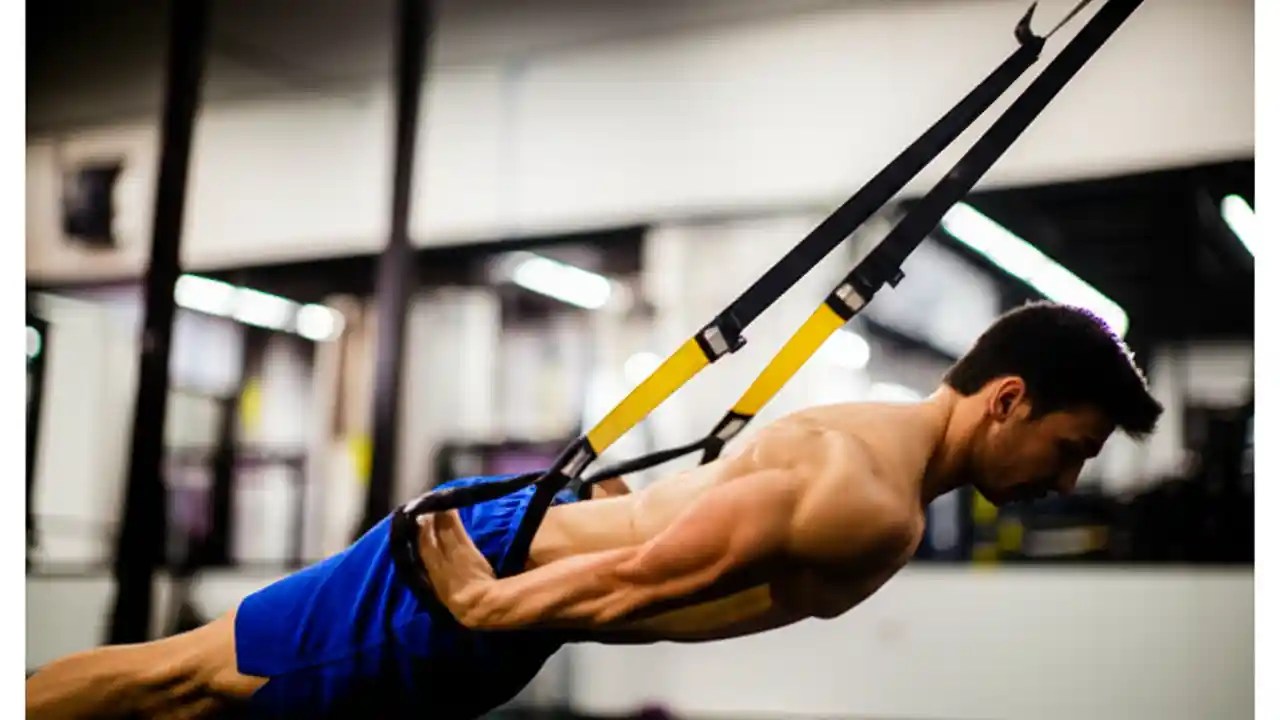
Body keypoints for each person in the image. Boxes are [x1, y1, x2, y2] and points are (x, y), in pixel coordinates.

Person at [25, 301, 1162, 719]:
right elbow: (642, 579)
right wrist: (488, 600)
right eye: (1068, 450)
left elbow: (679, 528)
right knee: (178, 679)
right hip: (497, 580)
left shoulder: (865, 433)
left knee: (194, 691)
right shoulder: (873, 502)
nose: (1063, 482)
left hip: (517, 576)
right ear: (1008, 400)